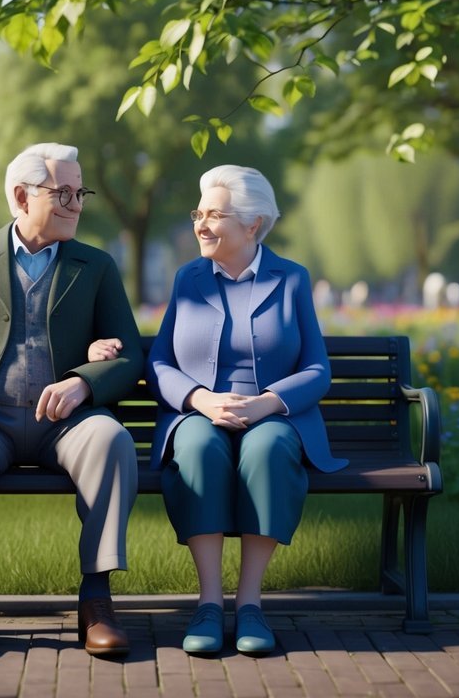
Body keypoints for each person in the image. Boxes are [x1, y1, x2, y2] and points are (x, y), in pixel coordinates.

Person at [0, 142, 144, 659]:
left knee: (111, 439)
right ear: (20, 196)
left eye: (80, 192)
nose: (76, 203)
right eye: (63, 192)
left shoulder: (97, 266)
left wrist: (85, 380)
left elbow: (130, 356)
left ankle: (97, 600)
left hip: (70, 426)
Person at [147, 165, 348, 657]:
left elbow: (317, 369)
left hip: (274, 416)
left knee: (269, 448)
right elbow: (159, 361)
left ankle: (251, 603)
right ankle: (209, 603)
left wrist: (267, 403)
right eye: (199, 213)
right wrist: (200, 399)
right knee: (195, 446)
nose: (201, 224)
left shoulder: (292, 279)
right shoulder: (187, 278)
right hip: (200, 414)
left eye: (215, 215)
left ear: (253, 224)